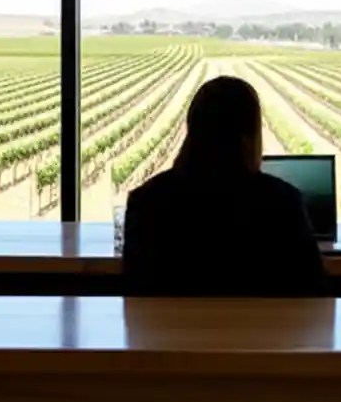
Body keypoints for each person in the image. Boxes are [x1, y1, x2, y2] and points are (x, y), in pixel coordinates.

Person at [122, 76, 327, 297]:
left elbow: (136, 295)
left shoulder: (145, 201)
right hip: (261, 332)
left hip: (172, 332)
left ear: (191, 128)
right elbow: (315, 296)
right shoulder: (283, 203)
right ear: (251, 134)